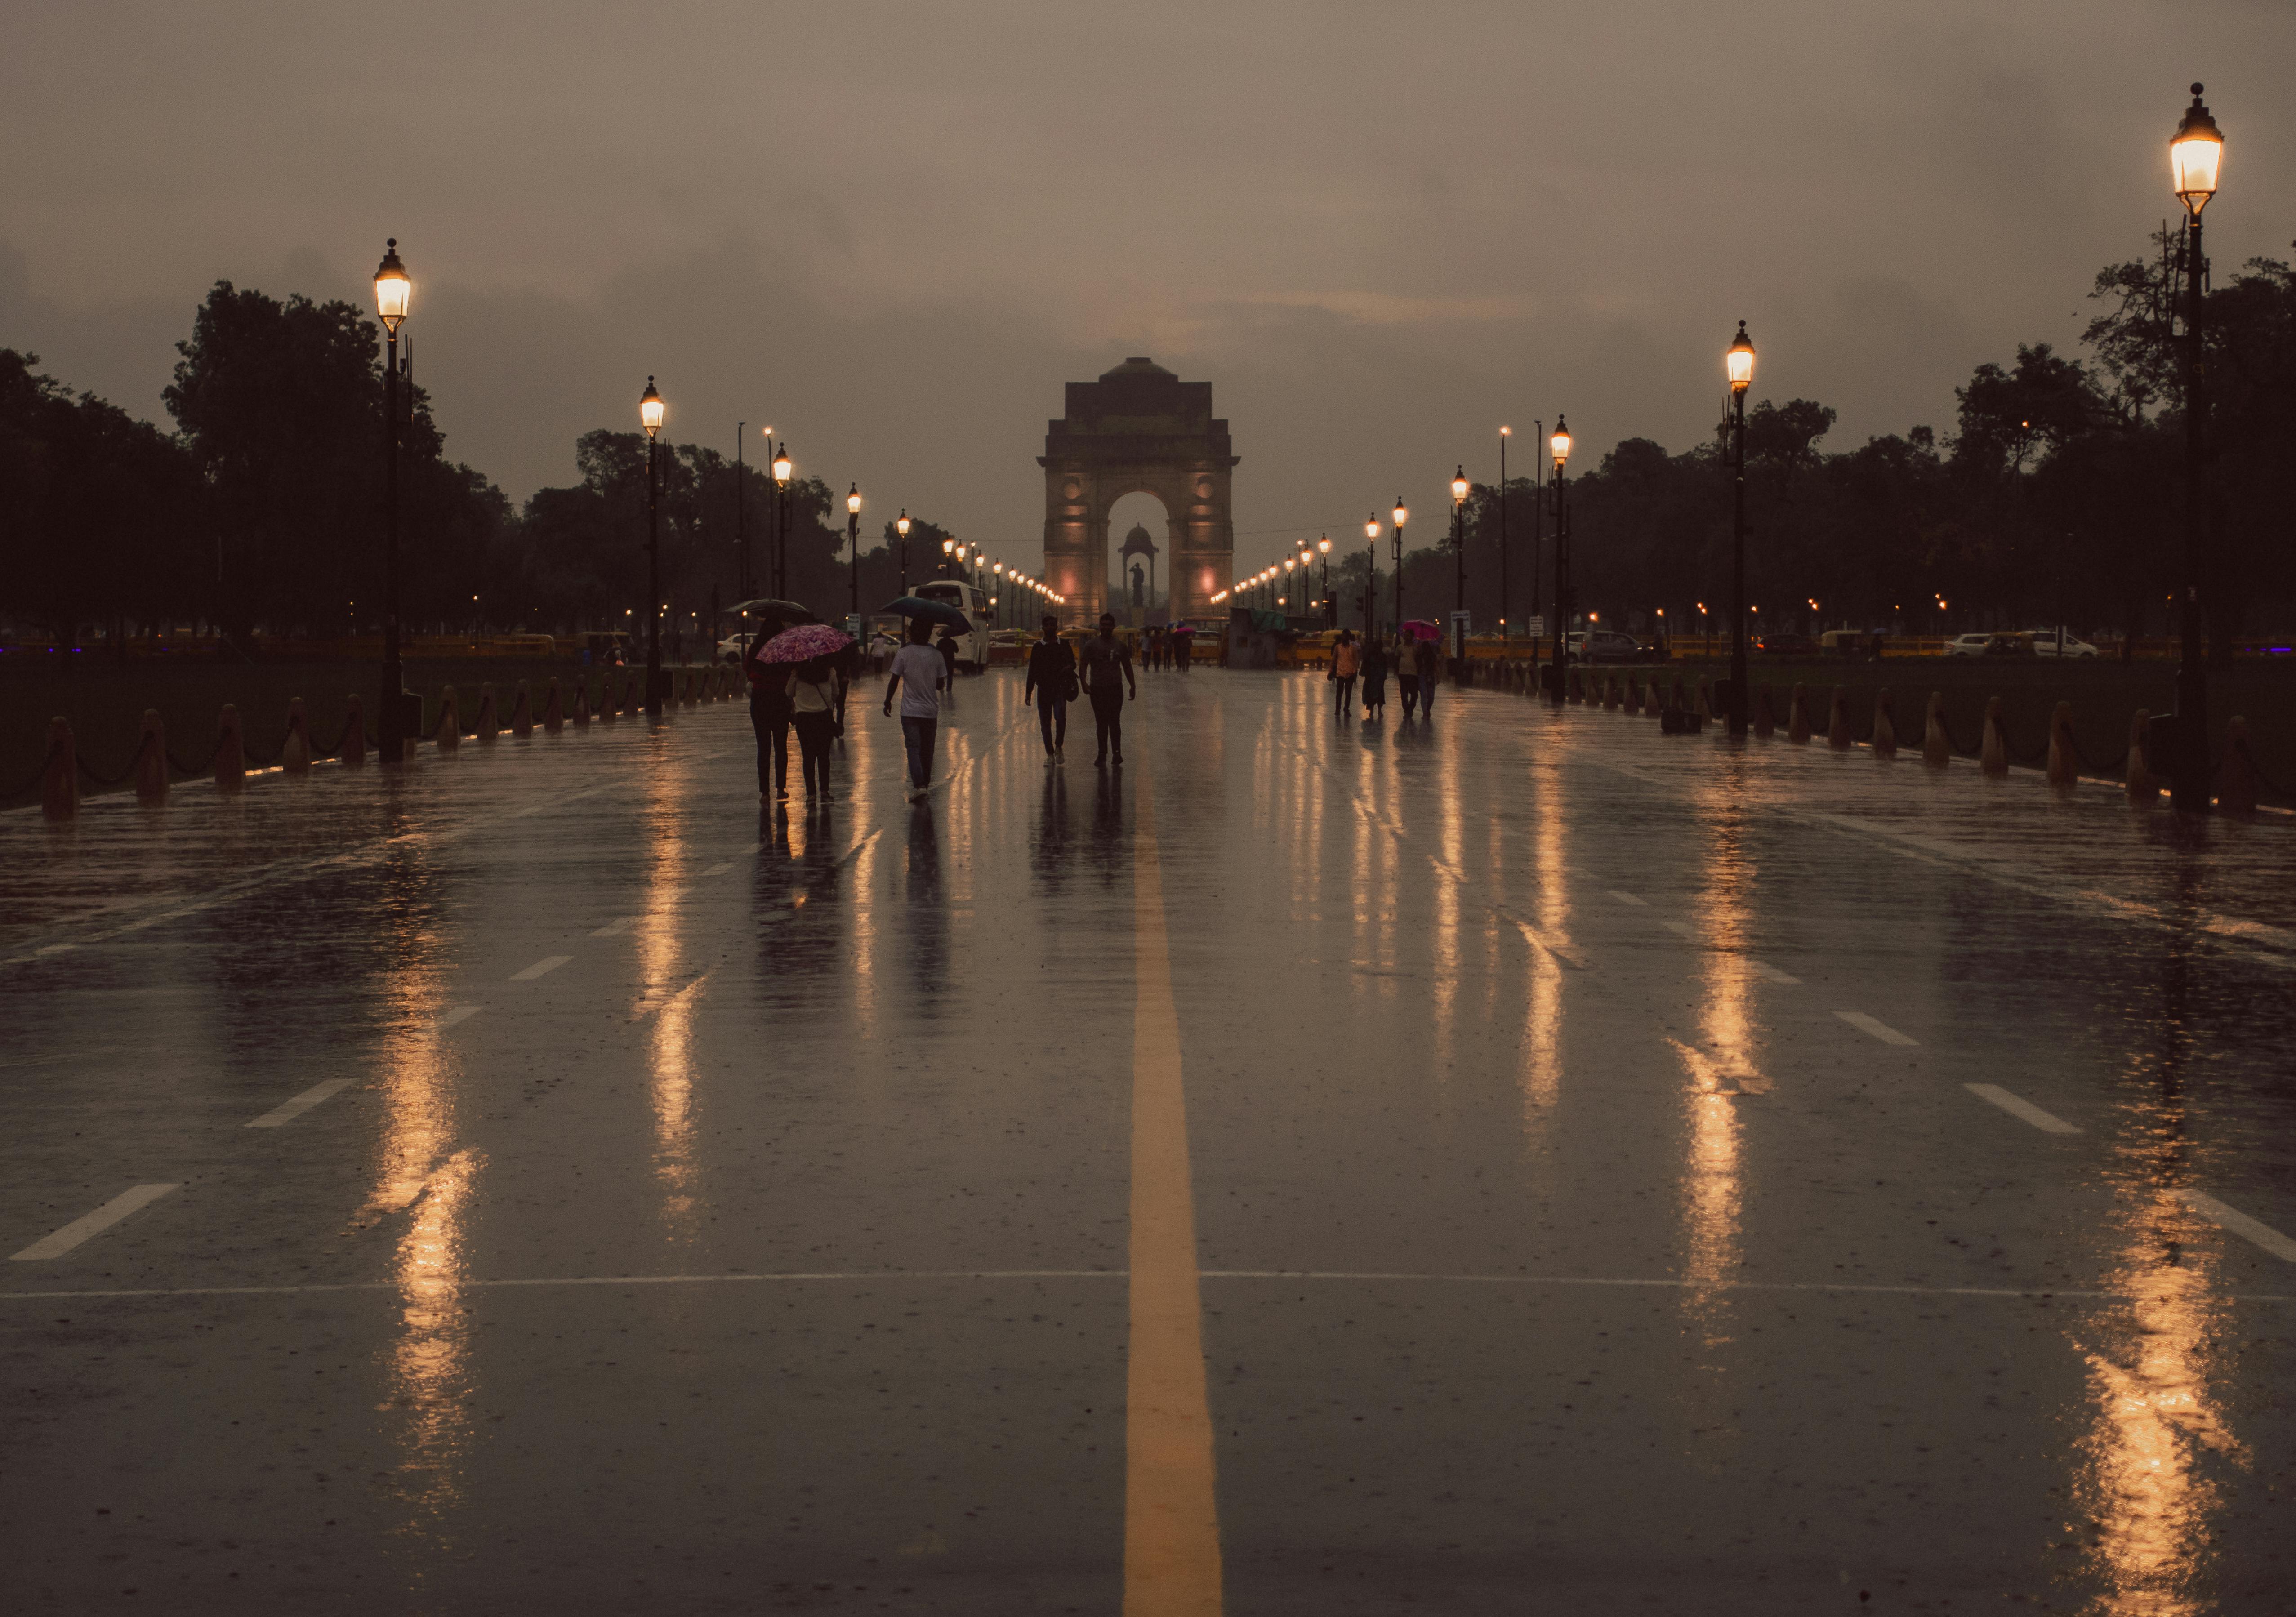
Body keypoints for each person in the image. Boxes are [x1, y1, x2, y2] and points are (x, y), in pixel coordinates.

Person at [883, 617, 946, 801]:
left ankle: (919, 786)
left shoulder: (903, 653)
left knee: (913, 748)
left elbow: (894, 680)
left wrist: (888, 701)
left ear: (911, 633)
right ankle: (925, 784)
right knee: (927, 750)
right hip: (930, 711)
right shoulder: (937, 655)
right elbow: (940, 685)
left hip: (909, 711)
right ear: (929, 634)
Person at [1079, 612, 1135, 766]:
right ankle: (1102, 753)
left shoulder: (1120, 646)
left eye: (1109, 625)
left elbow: (1127, 667)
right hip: (1098, 689)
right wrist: (1084, 683)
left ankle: (1117, 753)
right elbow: (1083, 665)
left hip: (1115, 688)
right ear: (1099, 626)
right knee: (1101, 722)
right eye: (1103, 625)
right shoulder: (1091, 646)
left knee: (1115, 722)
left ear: (1113, 627)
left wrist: (1133, 685)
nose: (1106, 628)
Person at [746, 616, 792, 802]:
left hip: (760, 700)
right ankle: (781, 788)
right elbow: (790, 672)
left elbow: (748, 670)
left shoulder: (756, 648)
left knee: (763, 747)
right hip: (780, 699)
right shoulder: (784, 648)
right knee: (781, 746)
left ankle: (765, 792)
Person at [1024, 614, 1077, 764]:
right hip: (1044, 690)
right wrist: (1029, 692)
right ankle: (1050, 754)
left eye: (1052, 625)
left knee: (1060, 718)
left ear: (1057, 627)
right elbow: (1032, 670)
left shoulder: (1064, 645)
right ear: (1043, 628)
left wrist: (1067, 669)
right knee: (1045, 724)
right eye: (1047, 625)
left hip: (1060, 689)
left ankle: (1059, 746)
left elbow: (1073, 664)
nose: (1050, 628)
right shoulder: (1037, 648)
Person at [789, 657, 839, 800]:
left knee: (808, 757)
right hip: (824, 718)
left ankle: (811, 794)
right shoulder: (830, 672)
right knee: (824, 756)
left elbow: (789, 692)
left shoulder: (797, 673)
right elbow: (836, 693)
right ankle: (824, 791)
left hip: (804, 719)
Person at [1329, 628, 1359, 718]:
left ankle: (1346, 709)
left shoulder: (1353, 649)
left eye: (1346, 636)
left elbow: (1356, 661)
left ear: (1349, 638)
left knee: (1348, 694)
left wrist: (1354, 671)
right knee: (1339, 693)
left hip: (1350, 674)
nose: (1344, 638)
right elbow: (1333, 660)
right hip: (1340, 674)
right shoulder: (1338, 648)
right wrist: (1330, 671)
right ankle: (1338, 710)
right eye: (1343, 636)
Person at [1360, 634, 1388, 719]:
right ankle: (1379, 710)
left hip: (1372, 677)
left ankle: (1372, 711)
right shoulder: (1383, 656)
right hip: (1378, 678)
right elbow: (1385, 667)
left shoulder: (1370, 655)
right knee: (1379, 694)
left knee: (1371, 694)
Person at [1415, 635, 1443, 718]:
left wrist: (1438, 676)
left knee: (1431, 697)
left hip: (1430, 677)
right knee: (1424, 695)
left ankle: (1427, 710)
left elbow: (1436, 666)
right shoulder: (1418, 656)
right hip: (1421, 676)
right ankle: (1425, 713)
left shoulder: (1432, 656)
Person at [934, 625, 960, 711]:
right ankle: (949, 688)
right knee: (950, 675)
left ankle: (941, 687)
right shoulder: (952, 642)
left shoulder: (940, 642)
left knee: (942, 675)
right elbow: (957, 650)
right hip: (950, 660)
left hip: (942, 660)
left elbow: (937, 650)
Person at [1397, 634, 1422, 719]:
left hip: (1413, 674)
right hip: (1403, 674)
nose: (1408, 638)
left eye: (1409, 636)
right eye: (1406, 636)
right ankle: (1407, 710)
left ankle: (1410, 709)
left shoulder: (1416, 648)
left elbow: (1419, 660)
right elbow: (1396, 659)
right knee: (1404, 694)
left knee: (1414, 694)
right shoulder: (1400, 648)